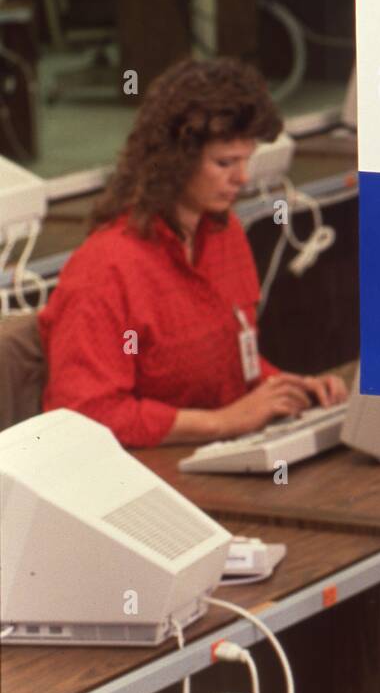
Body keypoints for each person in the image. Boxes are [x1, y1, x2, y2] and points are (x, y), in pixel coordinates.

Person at [40, 57, 348, 447]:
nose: (242, 178)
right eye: (224, 163)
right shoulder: (105, 269)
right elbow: (84, 414)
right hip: (153, 471)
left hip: (215, 451)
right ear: (175, 162)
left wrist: (286, 388)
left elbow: (233, 366)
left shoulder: (224, 232)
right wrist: (221, 423)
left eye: (245, 160)